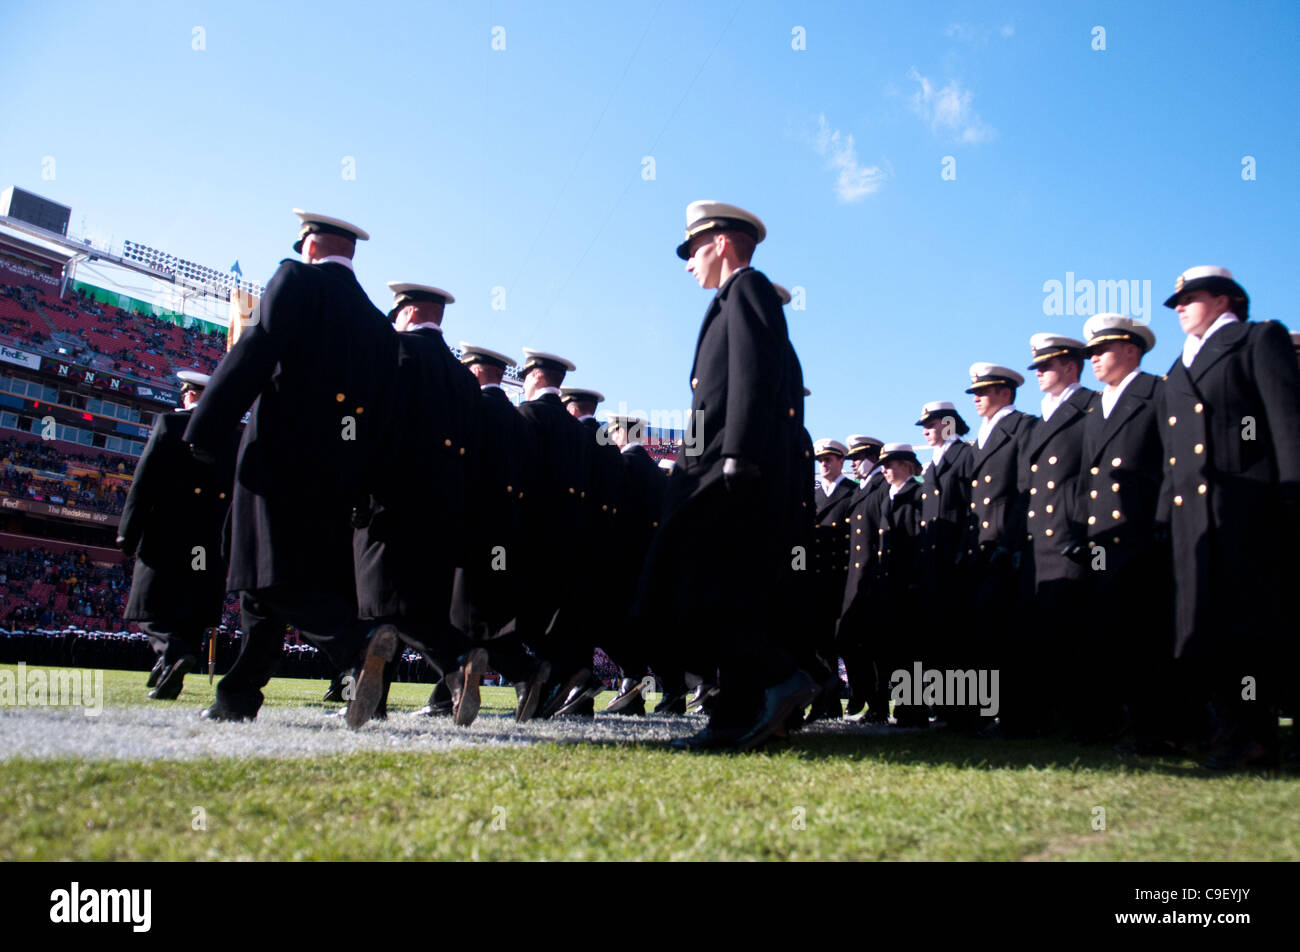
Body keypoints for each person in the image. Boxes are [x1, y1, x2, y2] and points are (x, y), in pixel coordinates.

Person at [183, 210, 398, 723]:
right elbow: (387, 413)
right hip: (341, 473)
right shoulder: (376, 321)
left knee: (264, 576)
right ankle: (236, 697)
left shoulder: (293, 279)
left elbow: (254, 350)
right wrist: (371, 482)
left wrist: (205, 429)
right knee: (269, 583)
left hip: (280, 458)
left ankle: (355, 643)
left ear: (308, 244)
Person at [638, 200, 817, 752]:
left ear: (720, 240)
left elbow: (753, 380)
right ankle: (733, 719)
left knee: (691, 591)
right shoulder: (730, 298)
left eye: (692, 248)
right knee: (733, 595)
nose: (688, 261)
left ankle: (784, 672)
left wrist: (736, 457)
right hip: (717, 468)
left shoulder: (747, 290)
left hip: (726, 473)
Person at [1157, 267, 1300, 767]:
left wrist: (1291, 495)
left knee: (1249, 627)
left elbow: (1286, 420)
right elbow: (1172, 457)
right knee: (1202, 628)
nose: (1178, 306)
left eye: (1189, 297)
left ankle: (1256, 733)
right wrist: (1162, 520)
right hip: (1191, 518)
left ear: (1225, 300)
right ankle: (1228, 726)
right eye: (1176, 299)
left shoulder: (1258, 339)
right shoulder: (1176, 371)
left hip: (1247, 510)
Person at [350, 283, 485, 726]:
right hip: (446, 508)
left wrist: (357, 486)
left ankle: (383, 693)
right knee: (419, 607)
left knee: (378, 605)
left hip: (391, 497)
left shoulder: (392, 349)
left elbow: (369, 422)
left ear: (406, 310)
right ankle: (452, 664)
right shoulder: (464, 378)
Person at [1065, 314, 1172, 748]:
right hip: (1100, 537)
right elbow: (1086, 477)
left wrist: (1163, 521)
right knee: (1106, 628)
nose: (1093, 359)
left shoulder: (1156, 392)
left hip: (1142, 529)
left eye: (1101, 351)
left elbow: (1172, 461)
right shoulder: (1096, 409)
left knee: (1144, 630)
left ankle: (1156, 726)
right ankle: (1114, 721)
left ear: (1132, 350)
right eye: (1089, 353)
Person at [119, 371, 239, 699]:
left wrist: (127, 533)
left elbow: (143, 483)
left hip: (167, 530)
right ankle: (172, 671)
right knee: (194, 607)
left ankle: (171, 653)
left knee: (149, 606)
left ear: (188, 395)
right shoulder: (236, 435)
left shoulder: (170, 425)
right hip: (212, 536)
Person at [1010, 334, 1094, 737]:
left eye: (1047, 366)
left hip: (1071, 534)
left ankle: (1082, 718)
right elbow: (1029, 483)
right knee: (1043, 631)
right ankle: (1049, 716)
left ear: (1072, 367)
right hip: (1039, 540)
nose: (1039, 373)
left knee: (1075, 631)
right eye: (1037, 366)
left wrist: (1083, 527)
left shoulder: (1090, 407)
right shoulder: (1042, 419)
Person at [957, 363, 1033, 733]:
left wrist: (1014, 542)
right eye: (973, 393)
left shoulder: (1021, 427)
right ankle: (982, 711)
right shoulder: (981, 439)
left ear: (1006, 392)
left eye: (983, 392)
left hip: (1003, 541)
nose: (976, 399)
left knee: (1007, 633)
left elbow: (1023, 492)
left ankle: (1016, 713)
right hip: (979, 546)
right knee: (980, 633)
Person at [872, 442, 927, 727]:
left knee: (912, 648)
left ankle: (914, 710)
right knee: (896, 648)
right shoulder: (888, 498)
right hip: (890, 583)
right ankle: (904, 707)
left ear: (907, 464)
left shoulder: (918, 494)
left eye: (891, 463)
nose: (885, 469)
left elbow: (919, 539)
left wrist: (916, 580)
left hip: (909, 583)